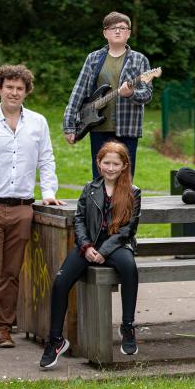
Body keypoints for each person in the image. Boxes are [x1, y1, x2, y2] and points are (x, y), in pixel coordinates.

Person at [0, 64, 65, 352]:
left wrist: (48, 193)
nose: (14, 92)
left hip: (22, 208)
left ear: (26, 92)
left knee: (11, 272)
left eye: (20, 88)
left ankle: (6, 328)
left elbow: (46, 160)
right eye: (9, 87)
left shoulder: (38, 123)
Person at [40, 141, 141, 368]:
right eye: (107, 163)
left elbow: (128, 230)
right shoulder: (89, 188)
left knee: (129, 268)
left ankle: (127, 326)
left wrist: (104, 252)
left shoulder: (133, 192)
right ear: (99, 163)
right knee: (60, 282)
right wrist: (85, 247)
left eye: (116, 164)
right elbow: (79, 220)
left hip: (117, 246)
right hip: (88, 246)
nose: (111, 168)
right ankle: (55, 339)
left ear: (124, 166)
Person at [63, 11, 154, 178]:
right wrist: (69, 125)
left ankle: (124, 205)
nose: (117, 31)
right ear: (105, 33)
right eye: (112, 28)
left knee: (125, 177)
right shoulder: (93, 58)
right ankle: (98, 204)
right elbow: (79, 91)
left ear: (129, 33)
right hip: (98, 127)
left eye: (122, 28)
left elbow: (147, 94)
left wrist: (131, 94)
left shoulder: (140, 60)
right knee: (99, 176)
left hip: (128, 128)